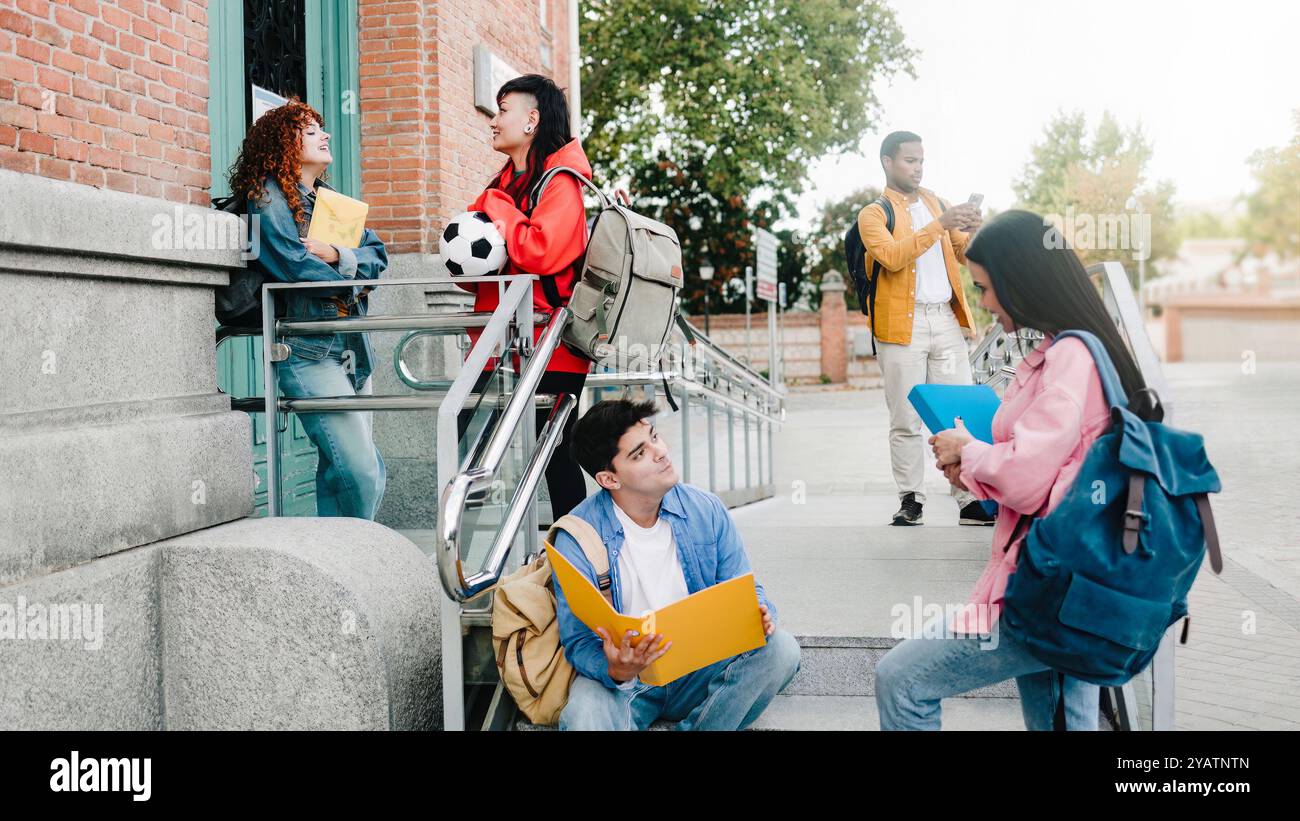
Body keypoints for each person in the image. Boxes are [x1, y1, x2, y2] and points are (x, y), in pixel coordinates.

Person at [873, 209, 1147, 731]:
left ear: (1021, 282)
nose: (983, 302)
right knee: (1062, 719)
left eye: (985, 287)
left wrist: (969, 450)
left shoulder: (1070, 358)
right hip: (1065, 584)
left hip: (1048, 590)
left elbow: (1024, 476)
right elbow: (1046, 472)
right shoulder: (1074, 349)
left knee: (902, 679)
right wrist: (971, 469)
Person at [551, 399, 802, 731]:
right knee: (584, 715)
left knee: (781, 650)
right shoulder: (577, 536)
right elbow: (578, 641)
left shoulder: (705, 510)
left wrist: (758, 611)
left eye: (654, 437)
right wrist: (616, 669)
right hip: (627, 680)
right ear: (609, 479)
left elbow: (745, 587)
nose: (660, 452)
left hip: (699, 667)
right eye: (639, 454)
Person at [230, 100, 389, 519]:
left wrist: (338, 253)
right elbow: (293, 267)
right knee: (363, 469)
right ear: (285, 140)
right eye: (312, 129)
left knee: (339, 470)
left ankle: (337, 561)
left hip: (353, 349)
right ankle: (363, 557)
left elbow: (378, 255)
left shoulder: (329, 199)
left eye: (322, 127)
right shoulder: (266, 197)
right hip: (307, 353)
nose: (326, 134)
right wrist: (352, 277)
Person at [453, 74, 593, 521]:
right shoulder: (505, 182)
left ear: (532, 119)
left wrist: (497, 209)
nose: (494, 121)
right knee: (463, 439)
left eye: (503, 110)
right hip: (499, 344)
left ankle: (584, 561)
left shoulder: (562, 182)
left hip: (550, 348)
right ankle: (462, 557)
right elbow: (472, 267)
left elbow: (542, 251)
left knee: (556, 460)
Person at [857, 131, 993, 527]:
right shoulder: (874, 214)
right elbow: (893, 257)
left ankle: (968, 498)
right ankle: (911, 499)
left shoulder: (938, 204)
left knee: (959, 413)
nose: (918, 168)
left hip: (945, 320)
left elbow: (966, 256)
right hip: (901, 325)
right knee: (905, 418)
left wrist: (974, 230)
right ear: (887, 162)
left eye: (921, 161)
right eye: (909, 161)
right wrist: (940, 224)